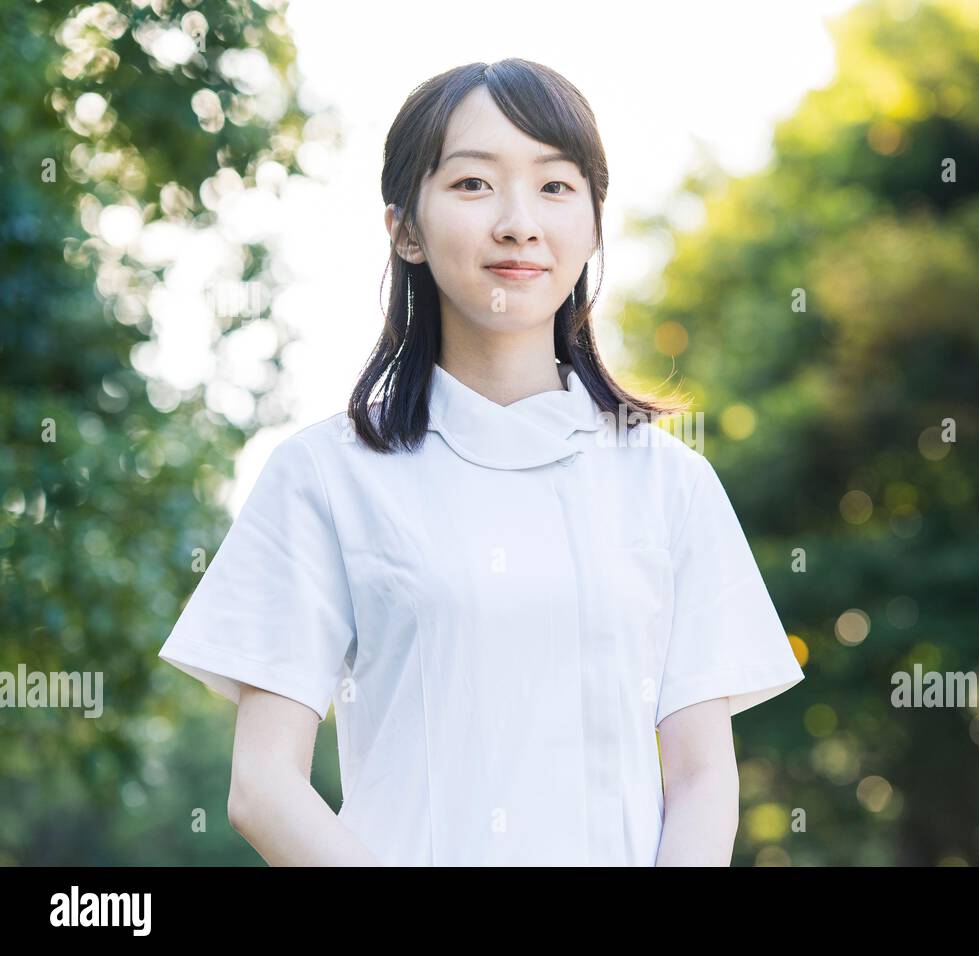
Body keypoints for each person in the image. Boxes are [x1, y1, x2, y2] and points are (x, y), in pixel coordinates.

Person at [157, 58, 805, 866]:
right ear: (404, 228)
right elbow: (262, 784)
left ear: (595, 223)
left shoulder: (670, 485)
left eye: (556, 186)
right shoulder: (324, 475)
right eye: (472, 184)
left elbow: (704, 780)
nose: (519, 222)